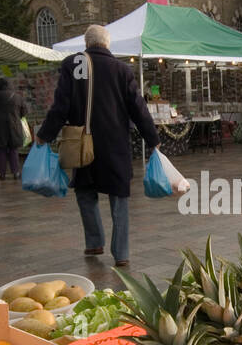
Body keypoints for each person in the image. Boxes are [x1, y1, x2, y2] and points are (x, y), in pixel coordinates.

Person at [37, 24, 160, 268]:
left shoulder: (72, 65)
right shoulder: (122, 70)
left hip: (82, 141)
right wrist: (153, 139)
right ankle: (121, 253)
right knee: (119, 197)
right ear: (107, 43)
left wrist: (44, 135)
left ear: (86, 43)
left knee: (85, 192)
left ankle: (94, 241)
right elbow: (139, 109)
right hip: (115, 144)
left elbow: (60, 106)